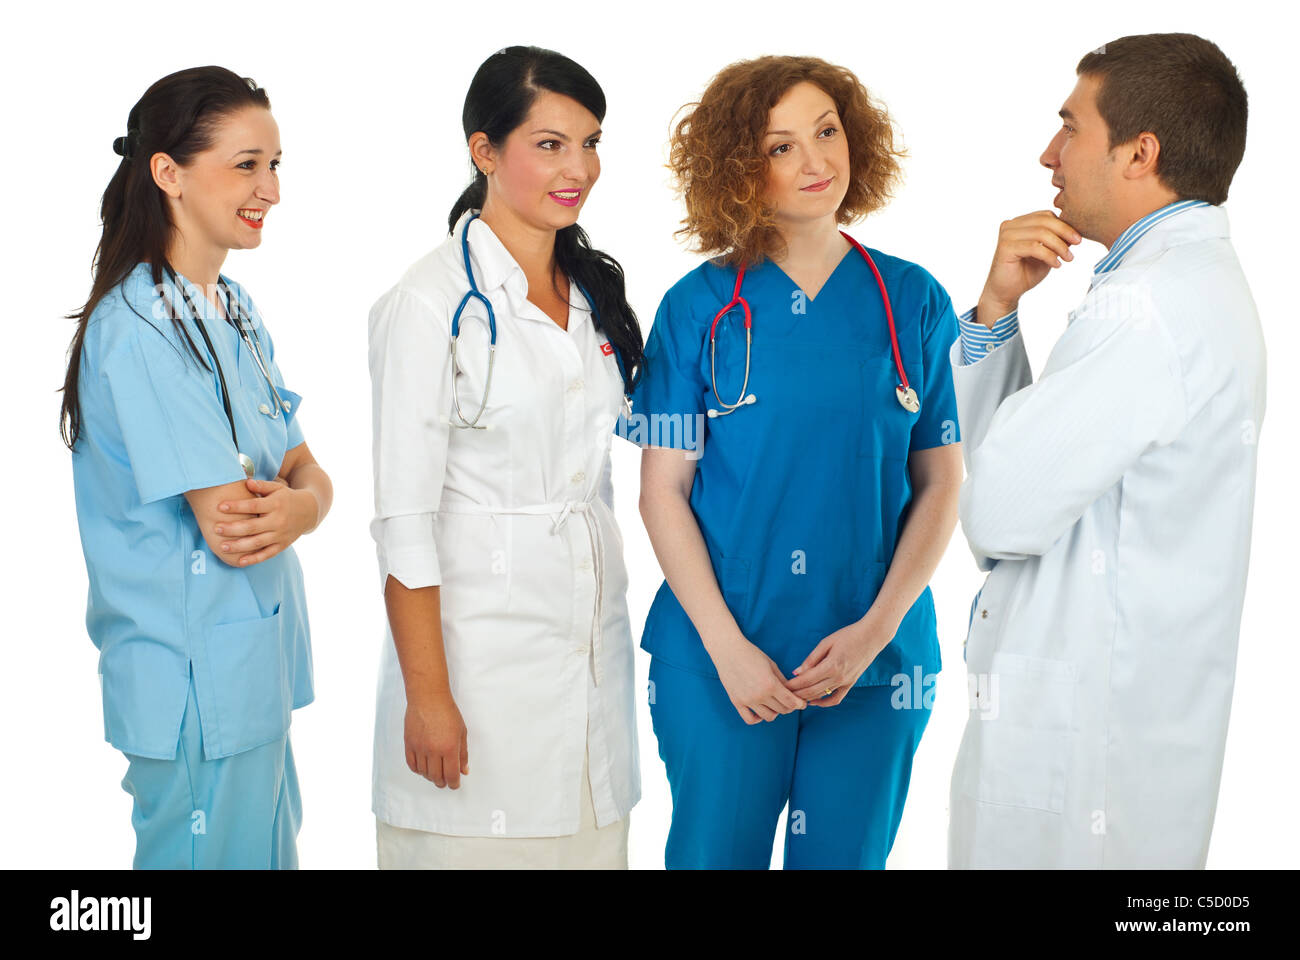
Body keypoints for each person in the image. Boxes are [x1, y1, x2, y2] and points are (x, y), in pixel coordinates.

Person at [629, 56, 963, 869]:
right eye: (781, 147)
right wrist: (727, 648)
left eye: (827, 132)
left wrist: (874, 634)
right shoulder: (697, 306)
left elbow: (941, 480)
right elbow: (662, 493)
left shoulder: (911, 298)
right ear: (738, 168)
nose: (816, 161)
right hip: (723, 657)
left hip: (874, 663)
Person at [948, 33, 1262, 868]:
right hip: (1108, 732)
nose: (1048, 154)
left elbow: (1000, 508)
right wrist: (995, 314)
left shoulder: (1148, 308)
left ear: (1139, 153)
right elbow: (1013, 474)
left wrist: (996, 478)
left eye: (1070, 127)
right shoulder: (1164, 288)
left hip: (1085, 759)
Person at [367, 45, 646, 870]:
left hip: (592, 664)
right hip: (474, 678)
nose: (580, 168)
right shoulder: (426, 304)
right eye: (550, 144)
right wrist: (429, 699)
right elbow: (403, 524)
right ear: (484, 151)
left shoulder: (593, 296)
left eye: (590, 142)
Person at [61, 66, 332, 869]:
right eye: (246, 164)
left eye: (275, 164)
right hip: (191, 685)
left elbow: (304, 469)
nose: (270, 189)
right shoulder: (139, 326)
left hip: (251, 675)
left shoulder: (235, 309)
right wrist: (298, 503)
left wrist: (303, 506)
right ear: (168, 172)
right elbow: (236, 529)